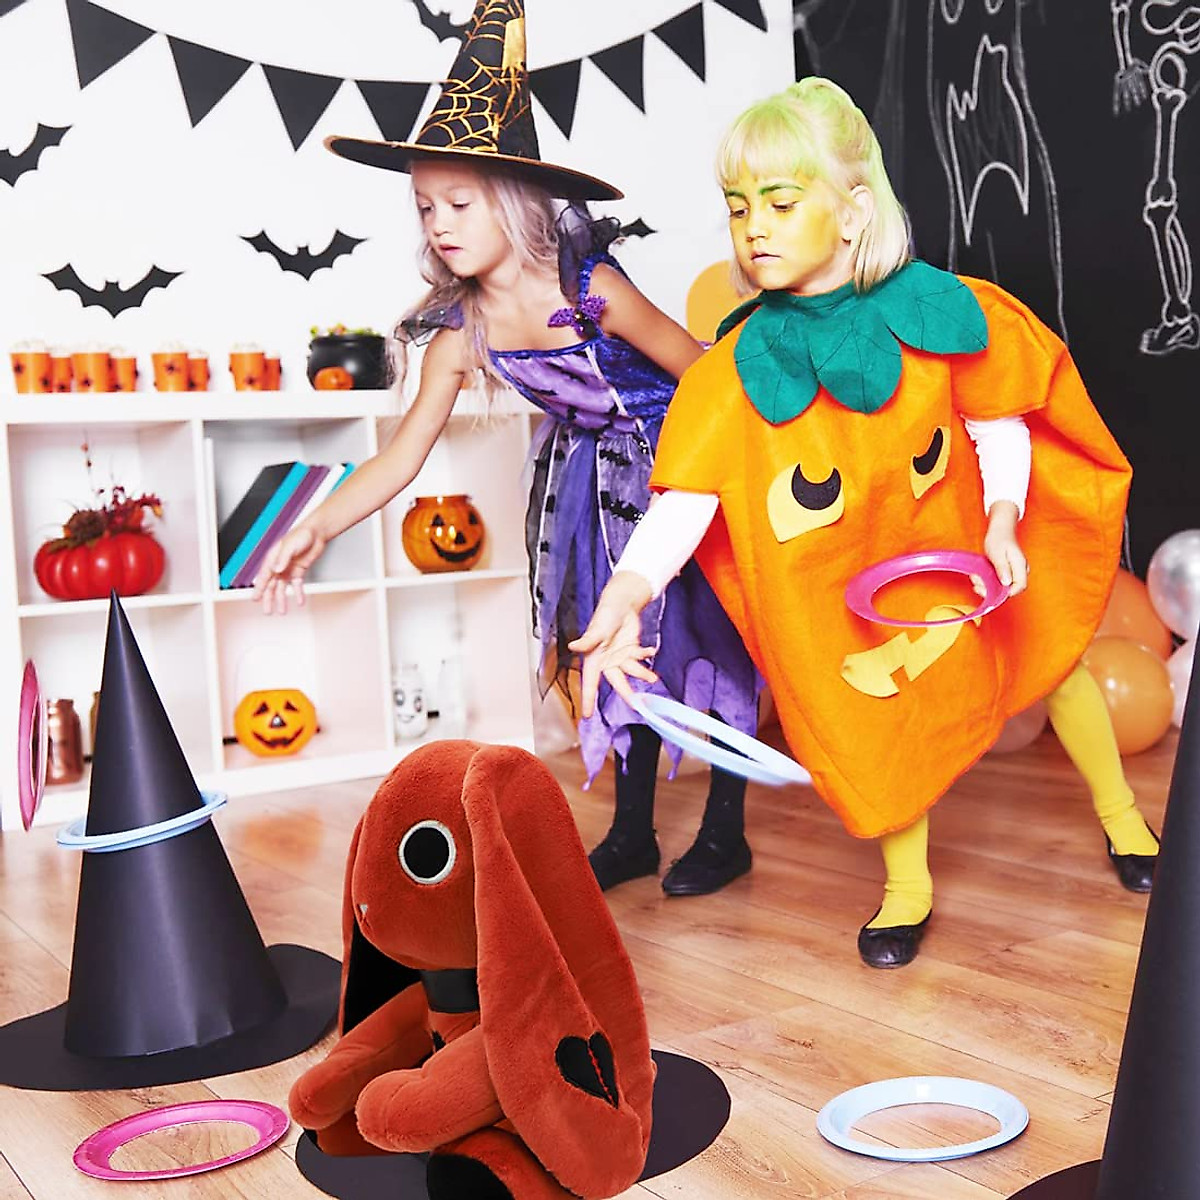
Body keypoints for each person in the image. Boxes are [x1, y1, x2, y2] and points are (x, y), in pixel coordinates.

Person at [571, 76, 1157, 968]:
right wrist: (626, 592)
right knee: (880, 718)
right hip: (854, 580)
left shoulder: (939, 312)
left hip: (959, 546)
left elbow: (997, 422)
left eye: (780, 203)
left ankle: (1123, 818)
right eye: (738, 208)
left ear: (850, 212)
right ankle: (906, 887)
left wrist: (1003, 522)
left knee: (1050, 658)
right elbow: (688, 497)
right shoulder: (732, 372)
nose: (754, 227)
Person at [252, 0, 760, 898]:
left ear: (515, 202)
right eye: (425, 207)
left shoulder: (591, 292)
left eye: (459, 202)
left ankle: (725, 831)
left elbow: (704, 376)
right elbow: (400, 457)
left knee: (705, 640)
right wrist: (315, 526)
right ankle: (633, 832)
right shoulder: (461, 333)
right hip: (589, 492)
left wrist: (731, 473)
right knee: (611, 645)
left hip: (679, 472)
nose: (438, 224)